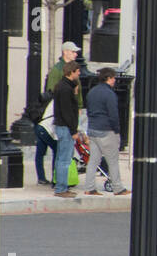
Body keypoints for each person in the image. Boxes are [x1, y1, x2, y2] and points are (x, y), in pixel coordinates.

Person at [83, 67, 127, 196]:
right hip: (106, 130)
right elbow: (113, 114)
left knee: (93, 161)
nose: (114, 80)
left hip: (92, 129)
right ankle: (118, 188)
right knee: (112, 161)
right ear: (108, 78)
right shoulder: (109, 94)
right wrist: (117, 131)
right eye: (113, 78)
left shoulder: (92, 92)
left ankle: (89, 187)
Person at [52, 62, 82, 198]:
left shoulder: (63, 86)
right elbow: (68, 112)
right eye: (77, 71)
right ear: (72, 72)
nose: (79, 73)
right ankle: (61, 188)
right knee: (64, 159)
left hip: (62, 126)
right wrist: (73, 130)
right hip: (66, 127)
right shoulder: (65, 89)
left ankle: (60, 186)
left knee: (60, 158)